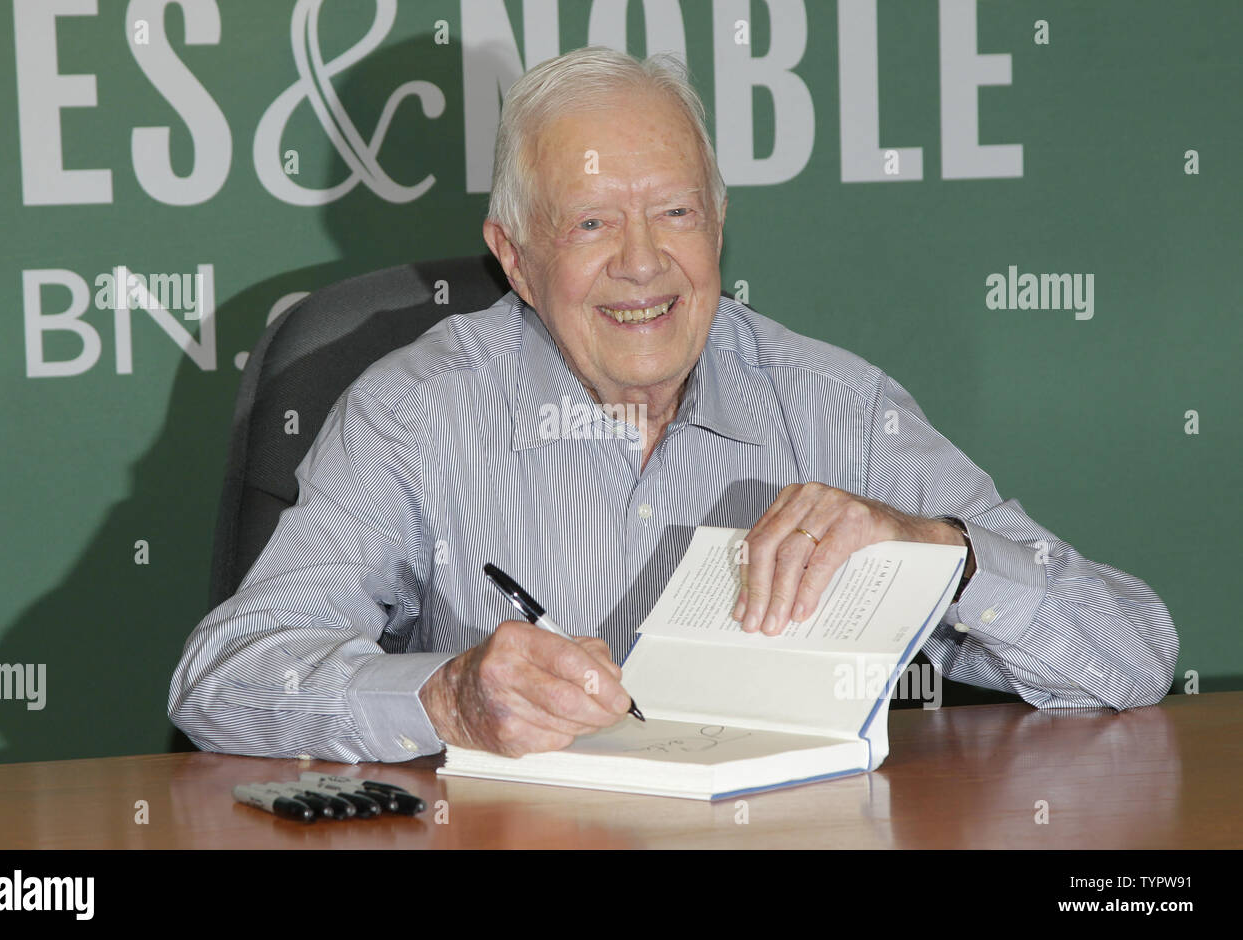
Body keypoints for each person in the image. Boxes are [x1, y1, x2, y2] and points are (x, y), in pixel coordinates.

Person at [168, 47, 1178, 763]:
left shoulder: (830, 407)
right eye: (594, 222)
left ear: (720, 224)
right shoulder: (418, 415)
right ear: (514, 258)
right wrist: (445, 698)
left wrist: (941, 550)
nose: (643, 263)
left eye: (676, 212)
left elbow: (1133, 652)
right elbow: (224, 678)